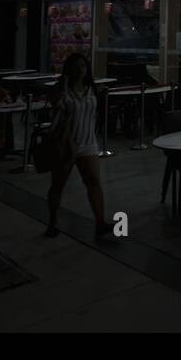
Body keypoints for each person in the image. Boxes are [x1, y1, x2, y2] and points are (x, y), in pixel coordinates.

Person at [46, 52, 113, 238]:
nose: (80, 70)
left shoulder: (91, 88)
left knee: (94, 182)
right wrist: (64, 88)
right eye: (76, 66)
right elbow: (55, 110)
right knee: (58, 185)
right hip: (66, 144)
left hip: (88, 143)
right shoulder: (61, 89)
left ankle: (100, 222)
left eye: (83, 66)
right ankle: (52, 222)